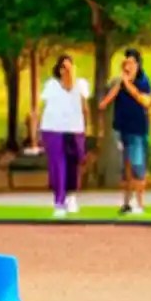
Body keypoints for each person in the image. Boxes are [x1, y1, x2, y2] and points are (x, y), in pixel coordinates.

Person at [100, 48, 151, 215]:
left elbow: (145, 101)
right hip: (122, 130)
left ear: (137, 65)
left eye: (131, 63)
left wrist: (128, 84)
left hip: (137, 129)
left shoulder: (143, 81)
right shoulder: (120, 82)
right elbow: (106, 102)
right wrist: (120, 83)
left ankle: (140, 203)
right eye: (126, 63)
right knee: (127, 168)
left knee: (138, 166)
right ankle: (127, 202)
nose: (128, 66)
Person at [37, 54, 90, 217]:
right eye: (63, 68)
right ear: (58, 70)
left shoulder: (80, 85)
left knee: (73, 163)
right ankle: (59, 201)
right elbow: (43, 107)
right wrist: (37, 130)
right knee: (57, 165)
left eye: (69, 67)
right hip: (53, 129)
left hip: (74, 129)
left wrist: (88, 128)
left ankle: (71, 197)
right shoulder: (51, 85)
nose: (66, 71)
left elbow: (85, 107)